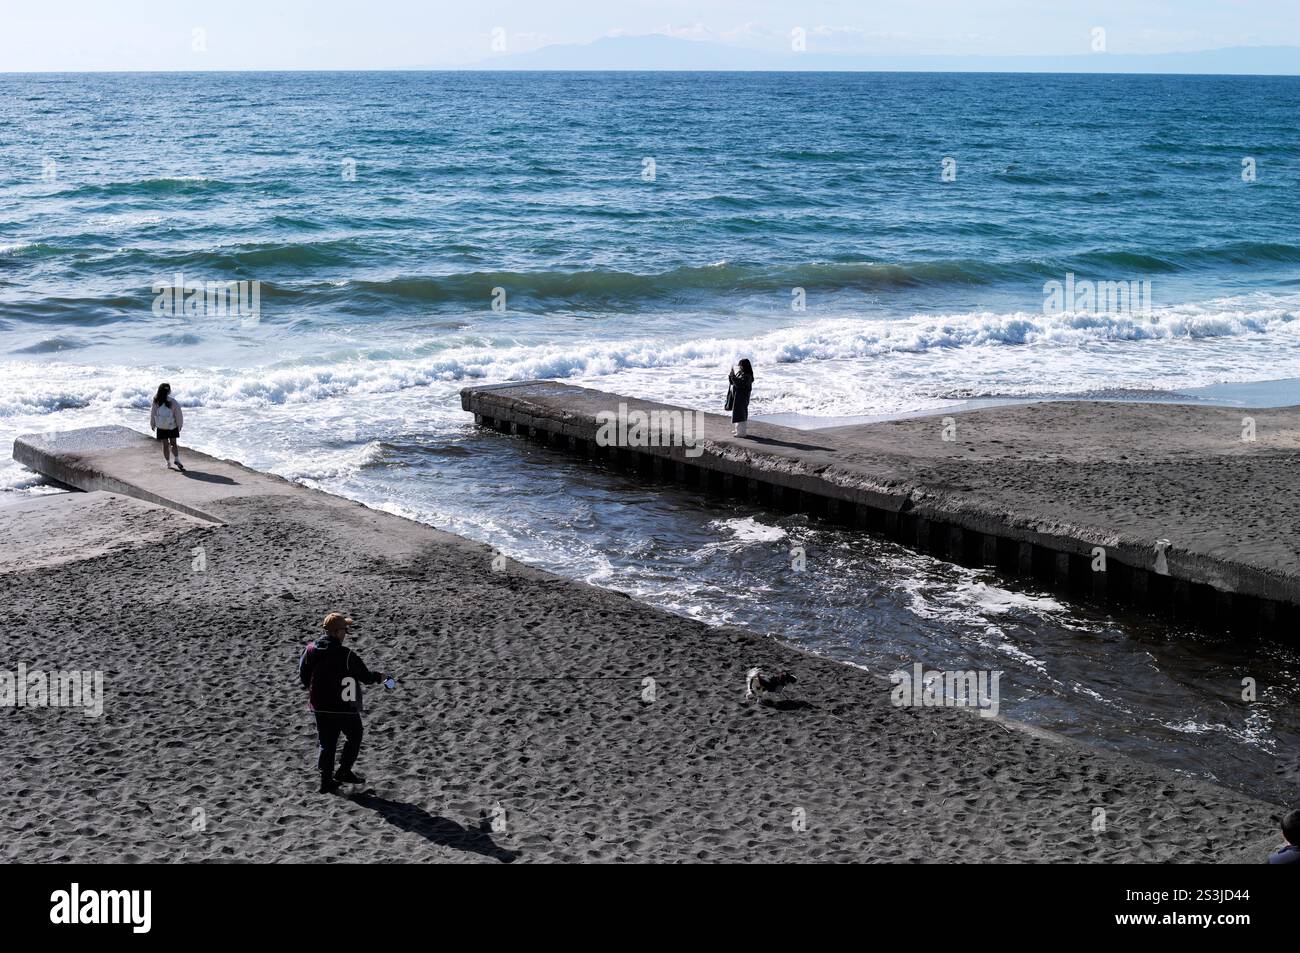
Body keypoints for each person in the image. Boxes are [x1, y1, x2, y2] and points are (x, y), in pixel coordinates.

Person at [298, 612, 390, 794]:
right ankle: (344, 770)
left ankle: (326, 781)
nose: (346, 633)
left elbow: (303, 674)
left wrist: (313, 689)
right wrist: (381, 677)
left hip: (320, 706)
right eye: (345, 629)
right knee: (355, 735)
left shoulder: (309, 649)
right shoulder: (346, 655)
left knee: (327, 743)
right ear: (336, 632)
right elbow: (365, 677)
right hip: (344, 707)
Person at [148, 382, 185, 471]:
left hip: (161, 427)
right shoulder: (173, 402)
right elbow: (178, 414)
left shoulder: (156, 401)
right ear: (169, 391)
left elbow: (153, 413)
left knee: (165, 445)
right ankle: (176, 459)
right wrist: (180, 425)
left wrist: (152, 424)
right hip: (172, 426)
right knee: (173, 444)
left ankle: (168, 462)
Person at [727, 358, 754, 437]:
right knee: (737, 413)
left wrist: (733, 377)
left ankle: (741, 433)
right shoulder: (740, 373)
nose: (739, 367)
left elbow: (740, 384)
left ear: (745, 366)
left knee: (741, 413)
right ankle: (738, 430)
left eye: (741, 365)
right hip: (738, 396)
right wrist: (731, 375)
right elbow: (733, 382)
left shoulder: (747, 376)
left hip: (743, 397)